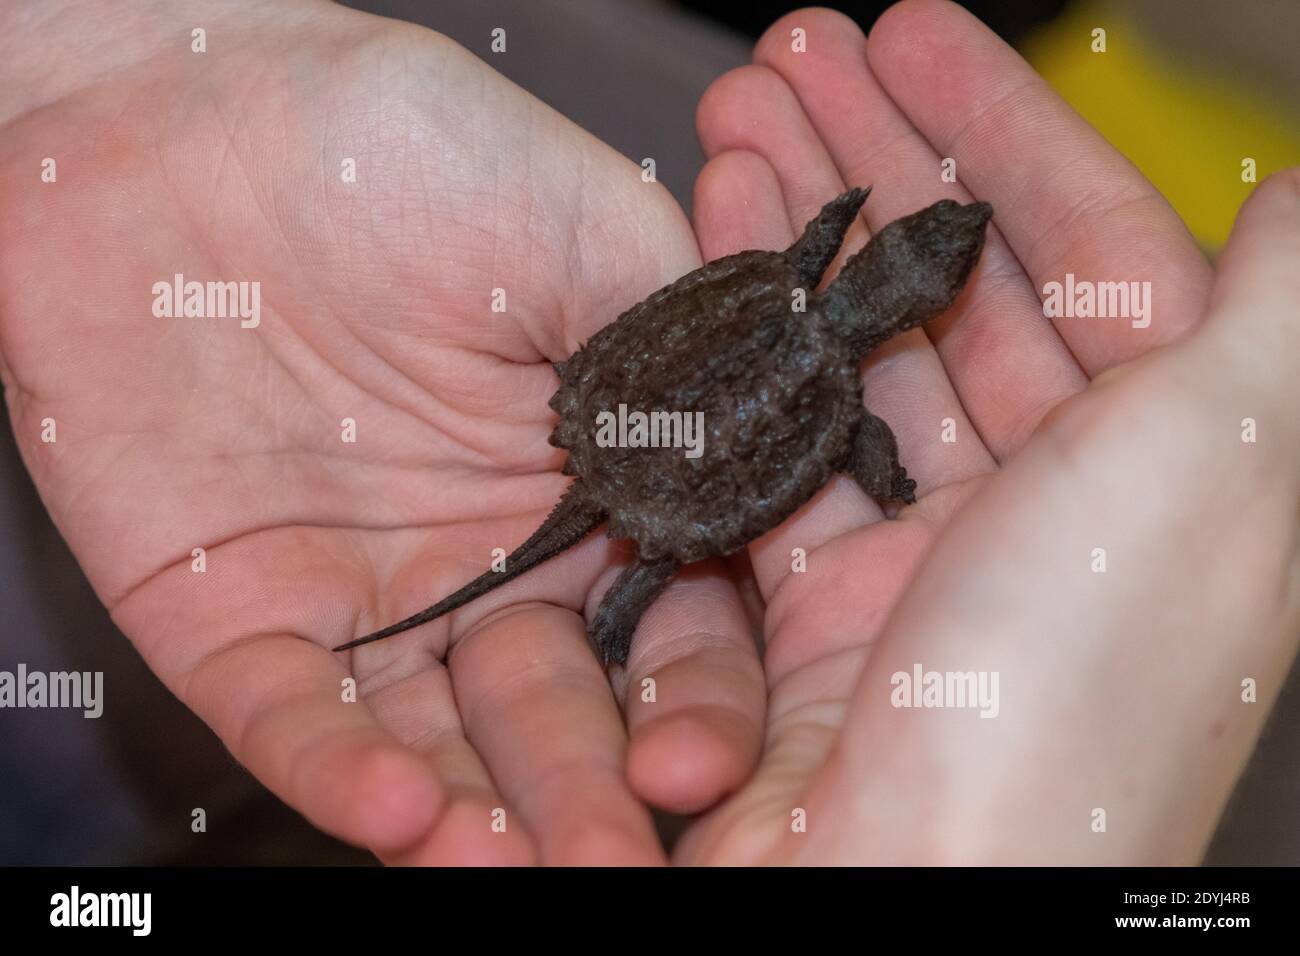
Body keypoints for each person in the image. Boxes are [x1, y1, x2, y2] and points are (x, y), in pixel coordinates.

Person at [0, 0, 1294, 865]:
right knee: (648, 560)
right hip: (670, 489)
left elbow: (812, 265)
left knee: (643, 552)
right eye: (936, 246)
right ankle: (615, 613)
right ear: (916, 297)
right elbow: (863, 451)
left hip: (649, 435)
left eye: (931, 249)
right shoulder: (839, 394)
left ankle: (613, 612)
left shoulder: (792, 282)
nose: (943, 245)